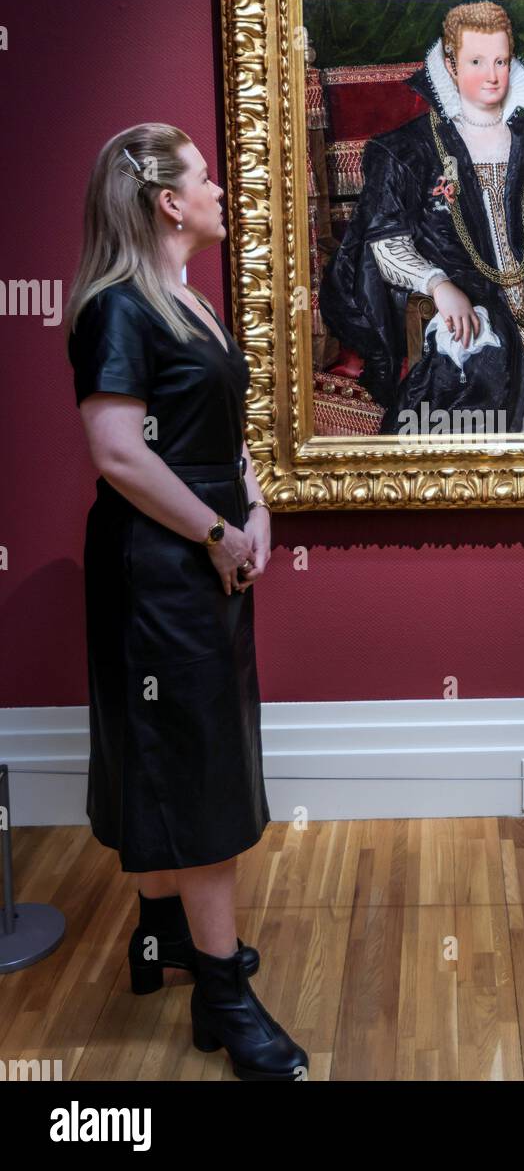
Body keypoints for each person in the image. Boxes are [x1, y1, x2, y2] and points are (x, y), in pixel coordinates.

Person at [65, 124, 308, 1081]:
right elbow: (119, 454)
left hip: (209, 553)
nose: (219, 189)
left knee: (190, 744)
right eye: (205, 176)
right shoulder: (115, 309)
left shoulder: (189, 304)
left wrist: (252, 507)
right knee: (195, 763)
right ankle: (222, 995)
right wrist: (213, 535)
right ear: (168, 203)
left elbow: (216, 437)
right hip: (160, 568)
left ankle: (160, 937)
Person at [319, 0, 524, 435]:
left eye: (501, 61)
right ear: (450, 64)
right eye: (477, 61)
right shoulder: (408, 147)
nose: (492, 75)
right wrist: (438, 286)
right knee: (484, 382)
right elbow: (387, 243)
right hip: (467, 292)